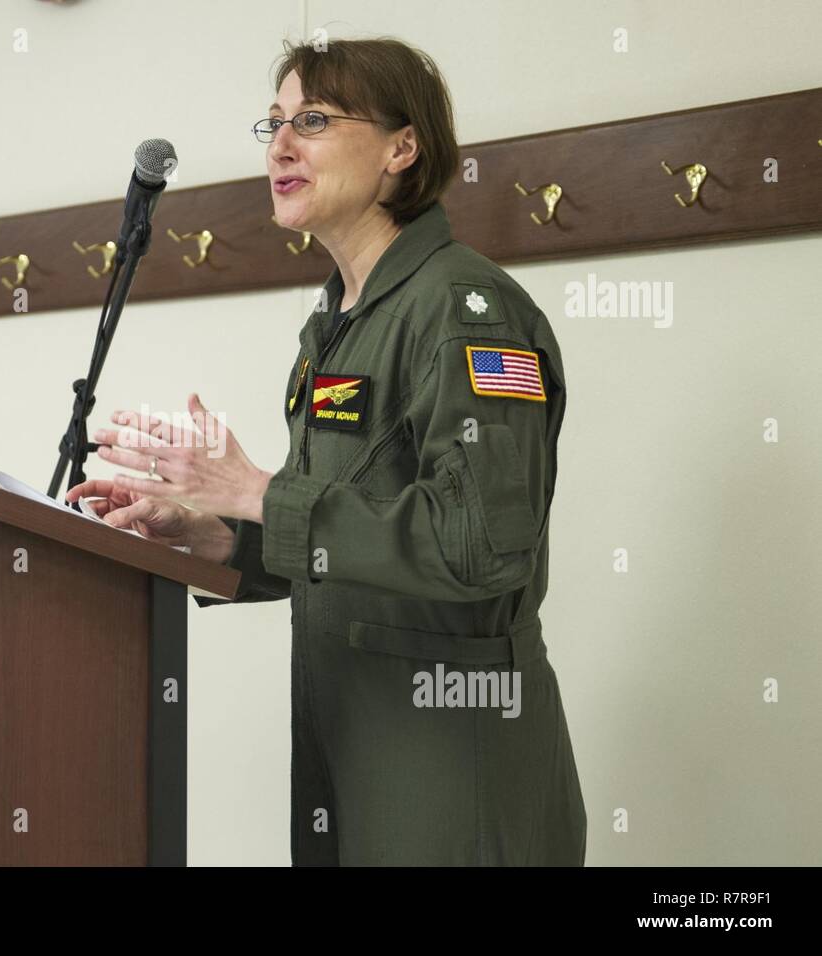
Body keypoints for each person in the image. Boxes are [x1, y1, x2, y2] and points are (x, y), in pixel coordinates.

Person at [65, 36, 587, 866]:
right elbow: (354, 536)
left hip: (451, 761)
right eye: (272, 123)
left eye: (311, 119)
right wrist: (221, 538)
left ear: (400, 147)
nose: (278, 145)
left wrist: (259, 493)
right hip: (349, 741)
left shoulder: (463, 310)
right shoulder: (340, 321)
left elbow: (481, 545)